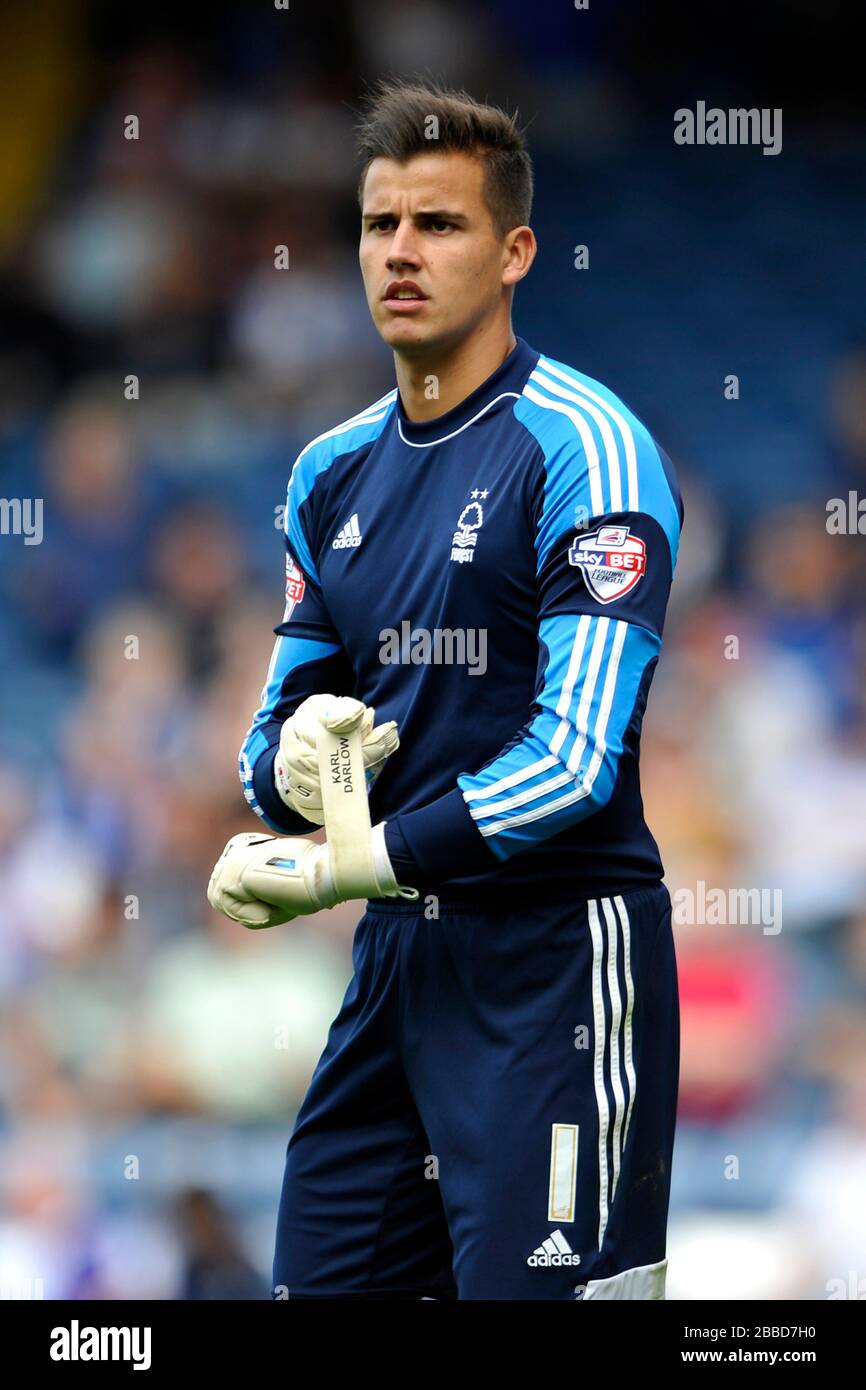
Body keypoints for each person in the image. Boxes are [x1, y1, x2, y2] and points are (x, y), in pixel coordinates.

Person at [208, 77, 683, 1301]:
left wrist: (340, 865)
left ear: (515, 249)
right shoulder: (328, 472)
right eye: (379, 226)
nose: (400, 253)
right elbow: (270, 744)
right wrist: (291, 772)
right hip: (394, 972)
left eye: (439, 224)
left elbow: (572, 765)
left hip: (558, 968)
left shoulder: (587, 445)